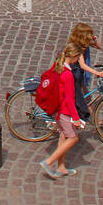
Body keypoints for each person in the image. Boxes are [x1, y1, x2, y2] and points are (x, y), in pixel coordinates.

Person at [40, 43, 84, 179]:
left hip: (57, 109)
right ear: (74, 56)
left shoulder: (57, 66)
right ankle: (48, 162)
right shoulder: (68, 75)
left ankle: (61, 168)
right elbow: (70, 99)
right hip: (64, 111)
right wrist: (76, 118)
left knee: (63, 136)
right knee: (74, 138)